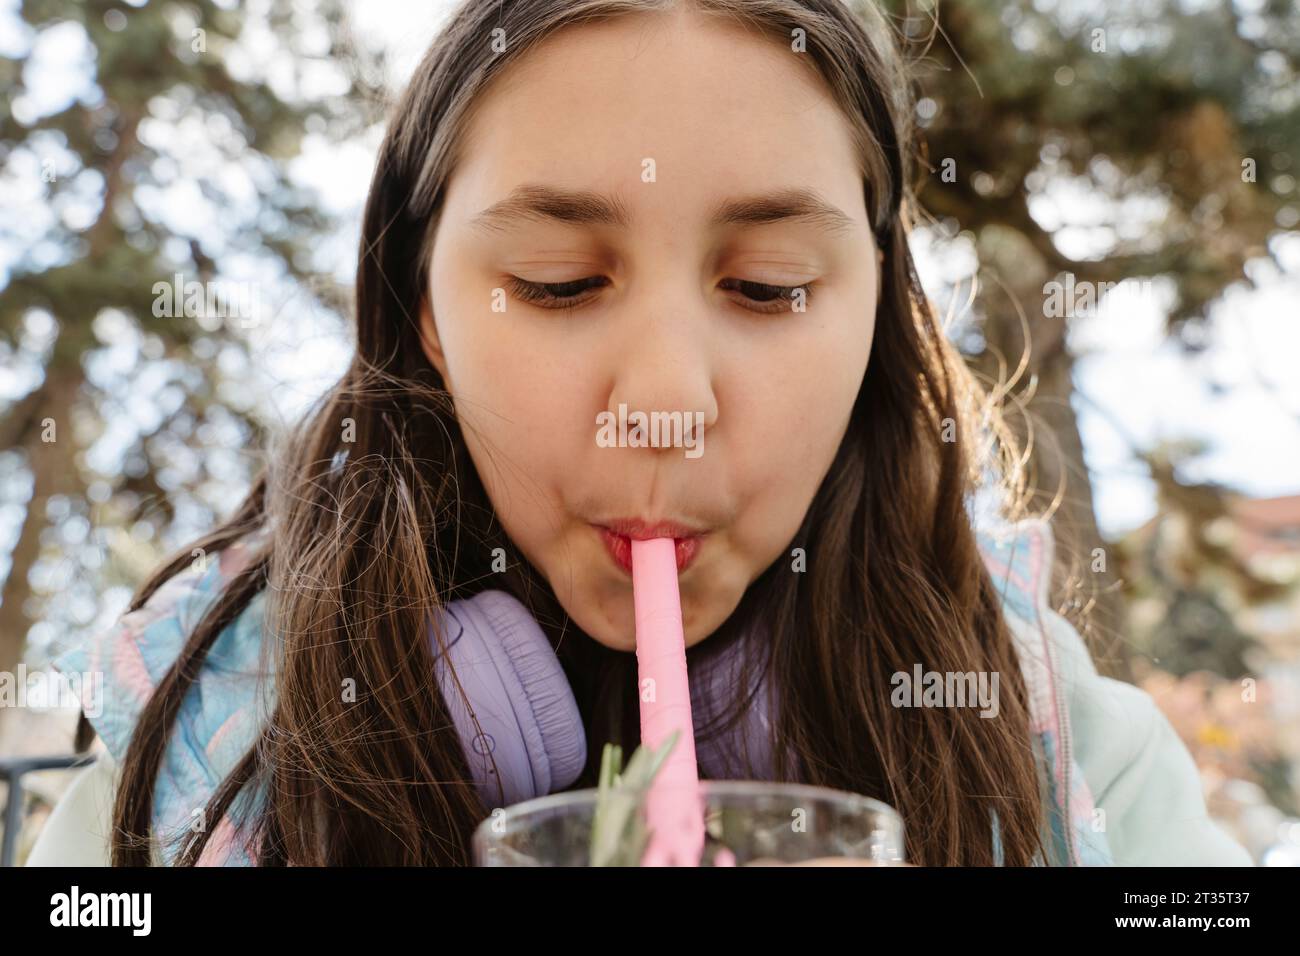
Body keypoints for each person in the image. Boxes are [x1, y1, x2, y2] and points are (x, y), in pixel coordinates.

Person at [29, 0, 1251, 867]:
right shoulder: (193, 766)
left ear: (875, 317)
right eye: (558, 281)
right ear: (430, 319)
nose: (665, 399)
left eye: (770, 286)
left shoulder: (1063, 756)